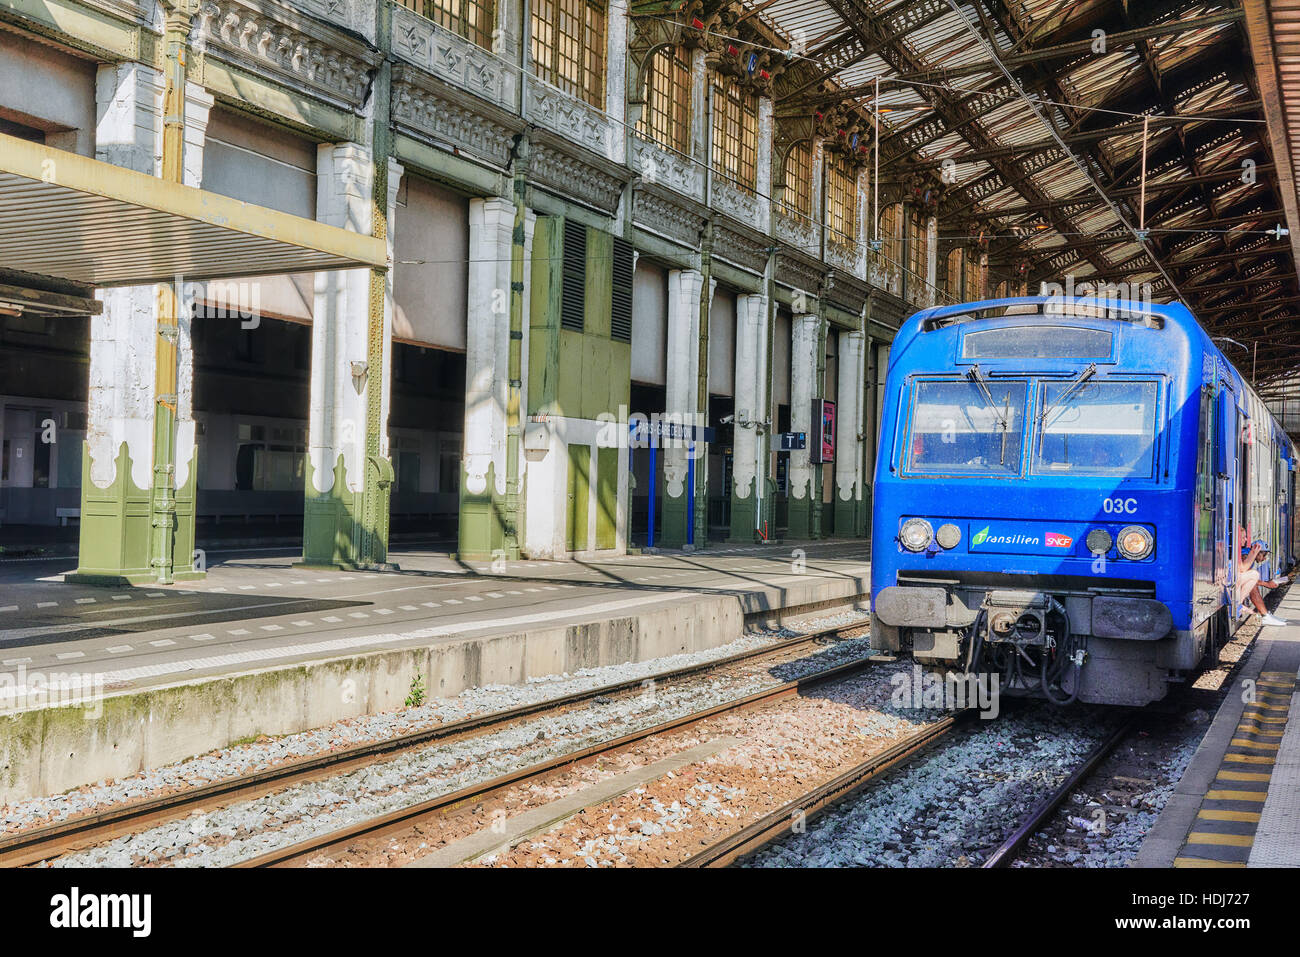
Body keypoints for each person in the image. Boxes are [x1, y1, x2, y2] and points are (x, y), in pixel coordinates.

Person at [1237, 526, 1288, 626]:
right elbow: (1243, 572)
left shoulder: (1246, 553)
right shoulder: (1246, 555)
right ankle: (1264, 615)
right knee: (1254, 583)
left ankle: (1265, 615)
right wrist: (1266, 584)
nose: (1264, 558)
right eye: (1263, 555)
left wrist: (1266, 583)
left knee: (1254, 584)